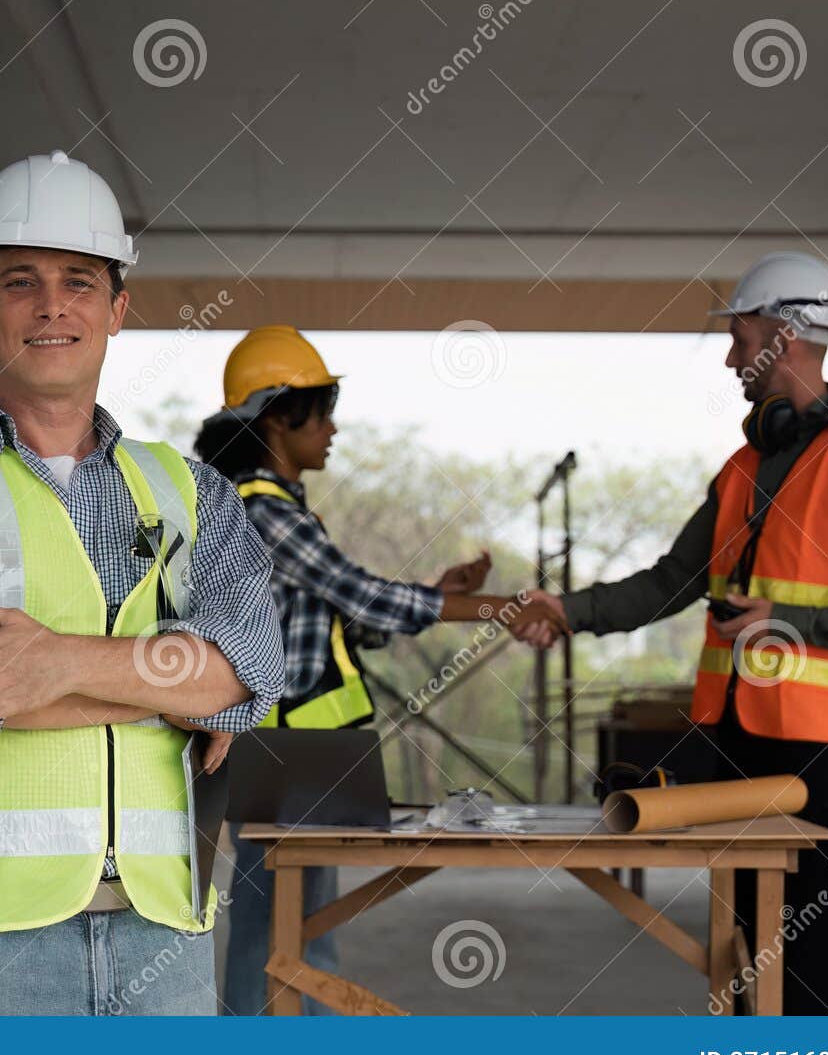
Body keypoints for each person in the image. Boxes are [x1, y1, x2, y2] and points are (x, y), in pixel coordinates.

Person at [0, 150, 284, 1016]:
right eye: (20, 281)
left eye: (80, 281)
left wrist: (54, 665)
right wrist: (176, 688)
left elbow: (252, 673)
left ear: (118, 308)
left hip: (163, 933)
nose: (53, 305)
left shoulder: (191, 490)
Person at [526, 252, 828, 1015]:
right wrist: (570, 610)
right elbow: (673, 580)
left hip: (825, 758)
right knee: (748, 949)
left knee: (824, 960)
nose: (731, 355)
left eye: (742, 338)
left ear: (784, 338)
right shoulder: (741, 469)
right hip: (739, 745)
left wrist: (791, 625)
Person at [195, 324, 570, 1016]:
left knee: (298, 923)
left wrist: (445, 590)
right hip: (286, 749)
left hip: (305, 749)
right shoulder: (260, 511)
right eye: (323, 411)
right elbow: (366, 595)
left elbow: (351, 622)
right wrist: (496, 607)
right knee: (278, 928)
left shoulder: (275, 510)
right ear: (279, 416)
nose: (333, 429)